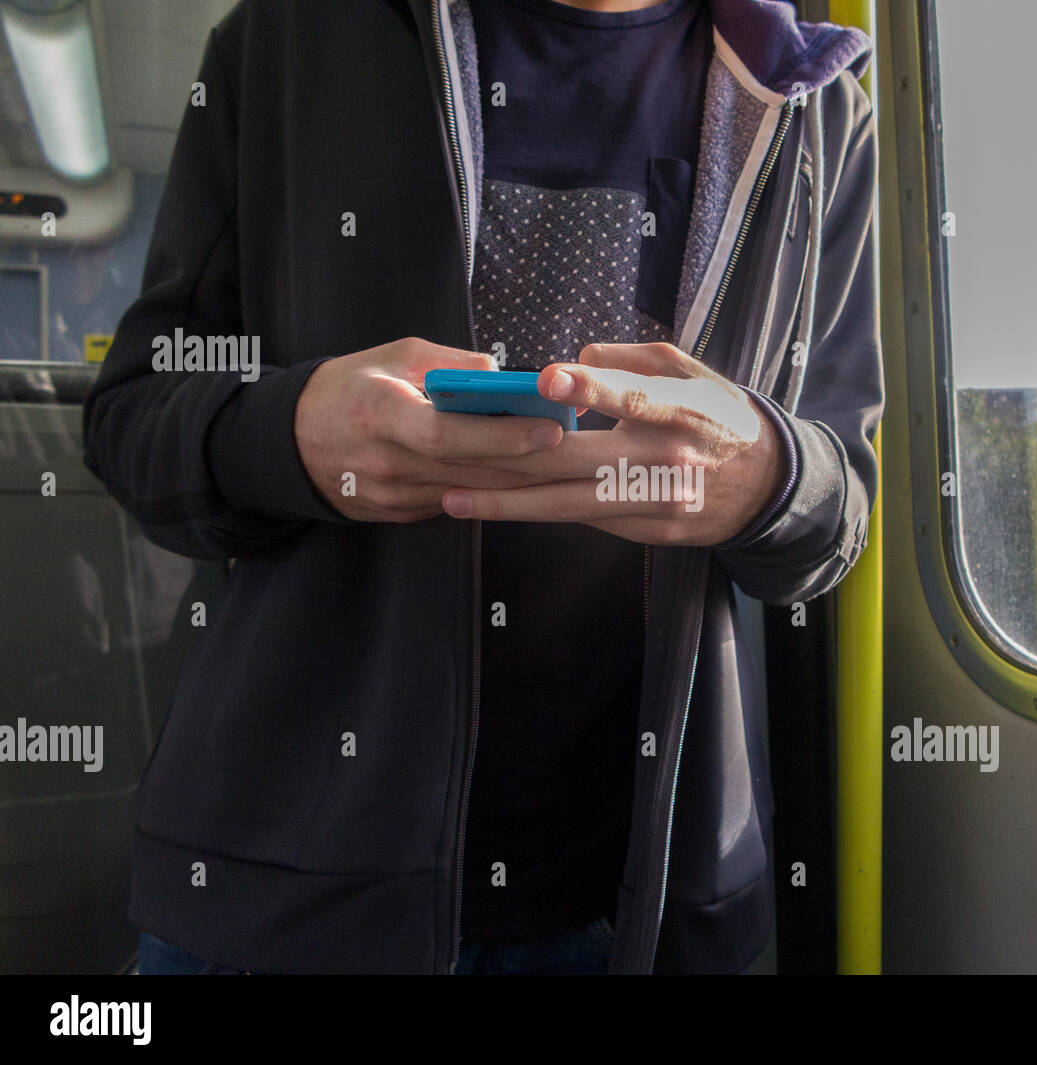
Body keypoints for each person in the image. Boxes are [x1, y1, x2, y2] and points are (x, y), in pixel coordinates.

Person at [83, 0, 883, 975]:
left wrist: (766, 472)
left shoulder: (817, 106)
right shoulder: (287, 39)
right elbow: (131, 420)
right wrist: (287, 435)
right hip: (286, 886)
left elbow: (836, 510)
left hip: (635, 906)